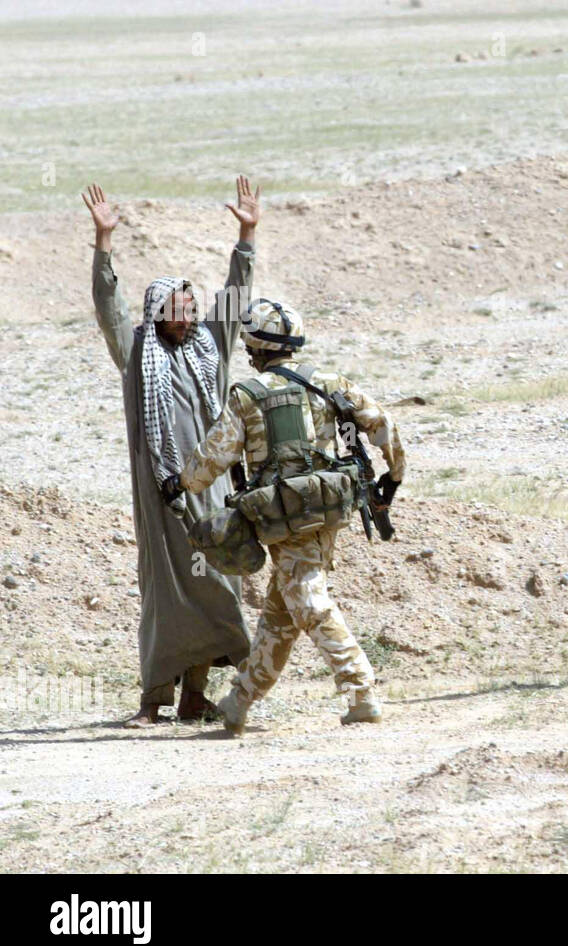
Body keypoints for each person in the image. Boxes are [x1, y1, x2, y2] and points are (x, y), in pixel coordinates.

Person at [175, 299, 406, 735]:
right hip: (329, 509)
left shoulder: (247, 395)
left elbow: (213, 459)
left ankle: (362, 691)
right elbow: (382, 425)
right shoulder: (330, 382)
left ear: (254, 347)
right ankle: (239, 701)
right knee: (282, 613)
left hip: (284, 517)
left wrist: (181, 483)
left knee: (309, 602)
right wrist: (393, 479)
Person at [85, 178, 258, 727]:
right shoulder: (137, 352)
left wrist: (247, 233)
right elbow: (107, 305)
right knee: (166, 590)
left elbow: (236, 297)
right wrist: (104, 241)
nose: (186, 316)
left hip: (213, 491)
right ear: (157, 312)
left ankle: (195, 697)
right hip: (162, 498)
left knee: (216, 581)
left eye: (190, 307)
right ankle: (153, 700)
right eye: (176, 309)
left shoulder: (211, 345)